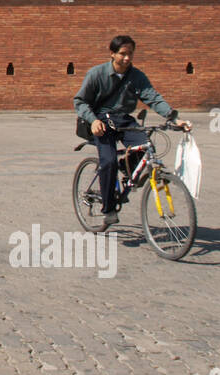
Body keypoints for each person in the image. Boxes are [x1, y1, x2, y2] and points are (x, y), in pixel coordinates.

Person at [73, 35, 192, 229]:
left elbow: (152, 97)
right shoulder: (96, 74)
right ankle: (109, 208)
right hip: (102, 121)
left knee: (146, 145)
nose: (127, 58)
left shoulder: (136, 76)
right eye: (122, 54)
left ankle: (126, 166)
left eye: (130, 54)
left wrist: (173, 118)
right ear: (112, 54)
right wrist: (93, 120)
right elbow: (80, 101)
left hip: (125, 119)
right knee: (108, 161)